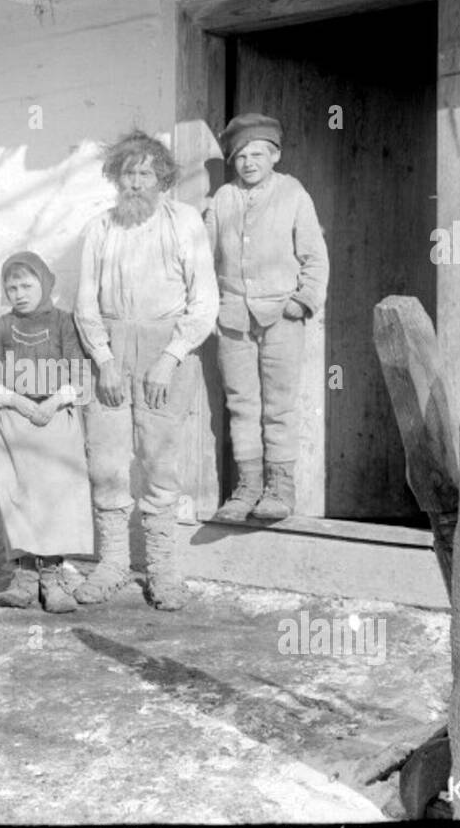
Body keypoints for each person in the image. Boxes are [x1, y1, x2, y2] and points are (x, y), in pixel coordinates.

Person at [73, 131, 218, 612]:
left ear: (162, 177)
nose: (135, 183)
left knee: (160, 461)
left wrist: (171, 356)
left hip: (167, 348)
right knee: (107, 461)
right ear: (115, 178)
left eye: (145, 173)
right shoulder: (100, 228)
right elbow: (85, 303)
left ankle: (163, 570)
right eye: (127, 173)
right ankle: (113, 564)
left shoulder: (185, 222)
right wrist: (104, 358)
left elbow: (204, 302)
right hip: (111, 350)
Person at [206, 113, 328, 522]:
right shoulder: (223, 199)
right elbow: (206, 260)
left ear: (275, 155)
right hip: (234, 317)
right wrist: (212, 307)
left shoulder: (293, 193)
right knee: (242, 403)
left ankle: (280, 488)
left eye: (257, 153)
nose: (248, 162)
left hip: (281, 317)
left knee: (278, 405)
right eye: (240, 156)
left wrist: (301, 301)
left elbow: (314, 257)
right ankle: (248, 486)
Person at [0, 251, 94, 613]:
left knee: (56, 496)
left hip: (56, 420)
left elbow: (79, 371)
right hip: (15, 421)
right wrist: (16, 402)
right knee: (20, 496)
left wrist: (54, 402)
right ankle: (25, 576)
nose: (19, 293)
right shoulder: (1, 327)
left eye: (27, 285)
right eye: (11, 287)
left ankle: (53, 577)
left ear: (44, 283)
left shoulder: (63, 323)